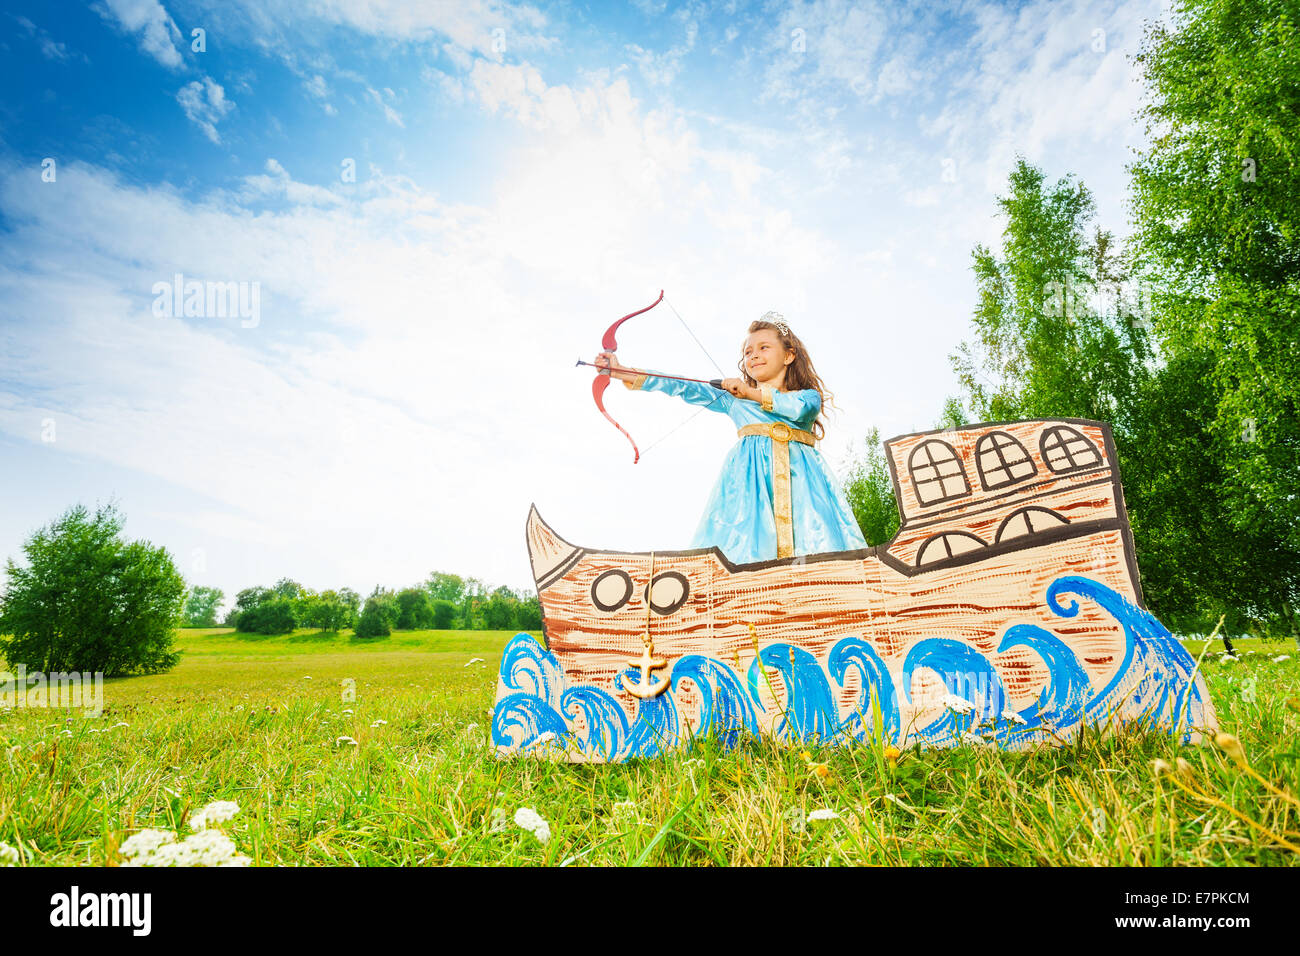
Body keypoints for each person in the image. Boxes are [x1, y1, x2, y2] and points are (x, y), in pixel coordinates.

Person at [595, 312, 869, 563]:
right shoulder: (735, 401)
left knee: (816, 549)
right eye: (748, 351)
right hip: (749, 490)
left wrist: (750, 393)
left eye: (764, 348)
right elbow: (684, 385)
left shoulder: (806, 396)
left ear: (788, 356)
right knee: (743, 553)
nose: (754, 356)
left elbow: (799, 408)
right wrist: (622, 372)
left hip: (805, 489)